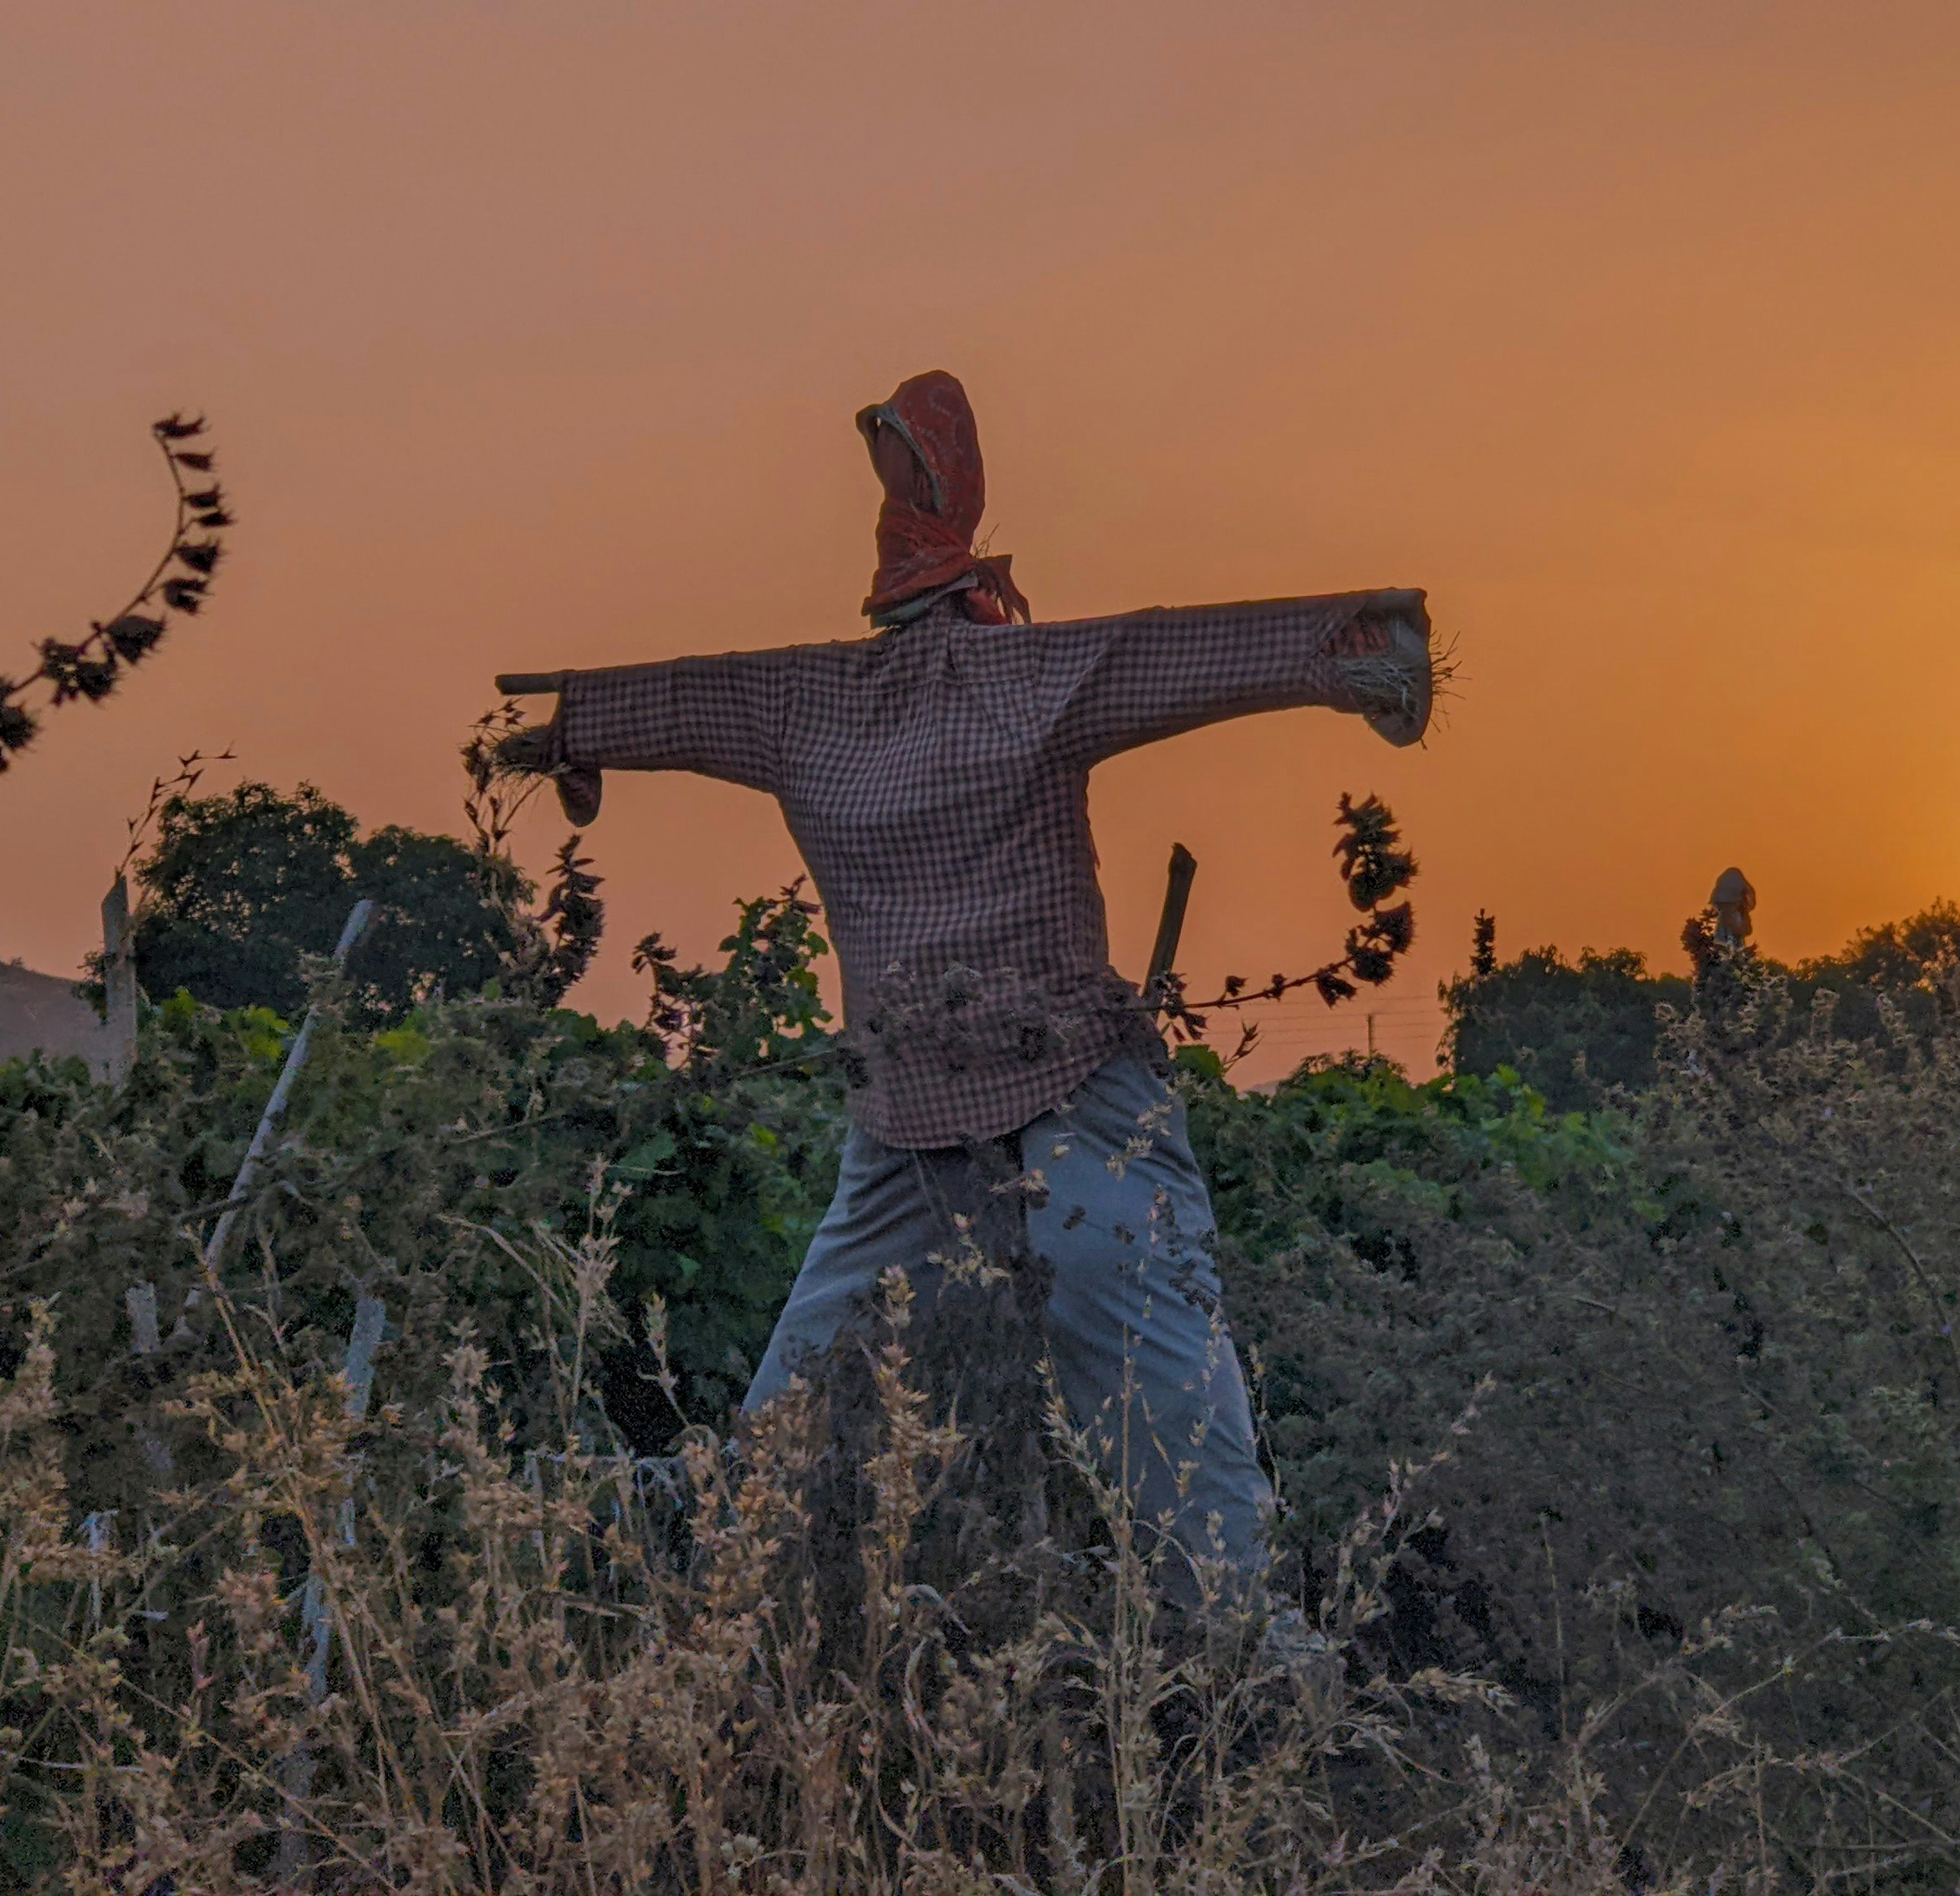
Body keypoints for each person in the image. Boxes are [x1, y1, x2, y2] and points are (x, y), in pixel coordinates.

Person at [493, 370, 1436, 1596]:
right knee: (1180, 1461)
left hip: (959, 1122)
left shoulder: (804, 702)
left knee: (794, 1432)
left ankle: (1228, 1666)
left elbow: (683, 700)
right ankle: (1236, 1654)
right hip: (1017, 1122)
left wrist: (572, 726)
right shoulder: (1023, 678)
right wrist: (1358, 647)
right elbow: (1180, 654)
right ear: (975, 567)